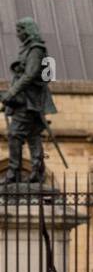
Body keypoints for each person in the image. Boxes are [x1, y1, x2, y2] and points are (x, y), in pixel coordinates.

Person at [2, 17, 58, 185]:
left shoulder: (36, 49)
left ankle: (13, 173)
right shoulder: (29, 49)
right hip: (26, 100)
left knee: (14, 134)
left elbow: (30, 74)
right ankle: (37, 171)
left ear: (26, 30)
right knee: (33, 136)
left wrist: (12, 92)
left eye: (19, 30)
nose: (18, 34)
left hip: (29, 100)